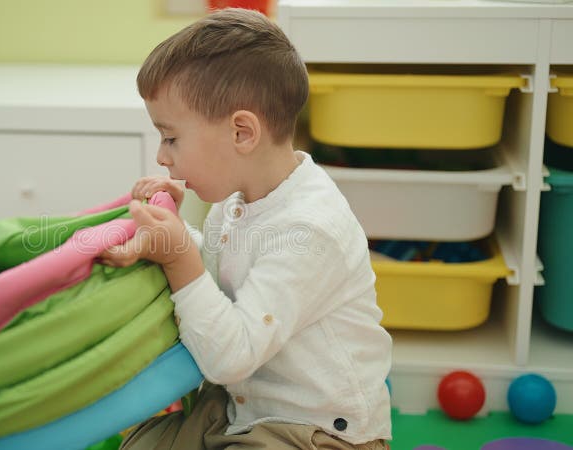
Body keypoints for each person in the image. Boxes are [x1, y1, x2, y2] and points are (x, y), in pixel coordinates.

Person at [99, 8, 392, 450]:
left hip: (318, 433)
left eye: (171, 137)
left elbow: (229, 357)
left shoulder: (310, 229)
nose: (162, 157)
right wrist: (177, 236)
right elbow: (221, 285)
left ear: (241, 132)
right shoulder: (238, 202)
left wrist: (179, 255)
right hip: (246, 405)